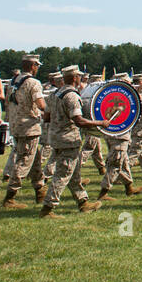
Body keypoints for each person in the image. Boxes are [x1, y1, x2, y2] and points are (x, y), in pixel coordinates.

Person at [39, 66, 106, 218]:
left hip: (55, 138)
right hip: (68, 140)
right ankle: (47, 208)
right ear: (75, 78)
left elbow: (46, 117)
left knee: (73, 174)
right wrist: (100, 123)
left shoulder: (55, 94)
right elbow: (79, 121)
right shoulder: (72, 96)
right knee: (63, 175)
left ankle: (83, 202)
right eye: (79, 77)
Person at [4, 55, 48, 208]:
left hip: (16, 125)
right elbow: (41, 105)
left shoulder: (14, 81)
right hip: (29, 127)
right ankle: (10, 196)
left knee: (35, 160)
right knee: (23, 162)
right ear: (33, 66)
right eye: (37, 66)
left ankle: (40, 190)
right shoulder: (33, 83)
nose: (38, 68)